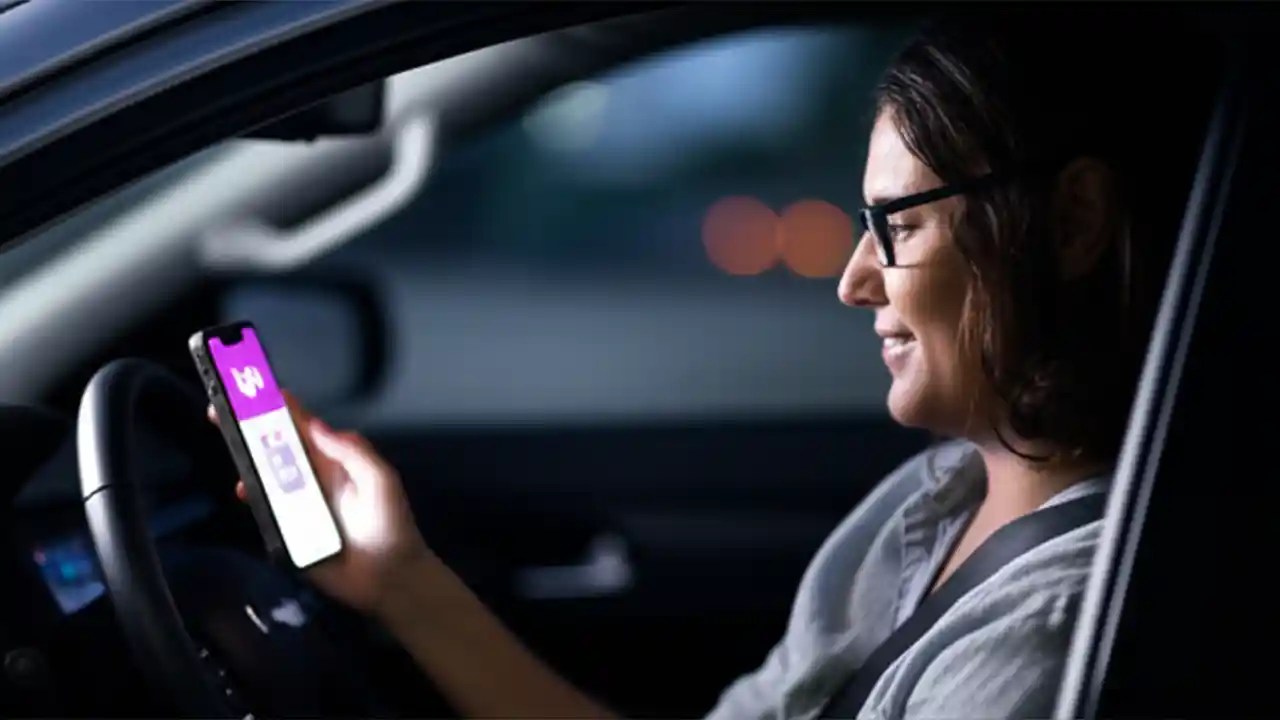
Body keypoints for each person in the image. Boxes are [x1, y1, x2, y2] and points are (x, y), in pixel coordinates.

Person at [210, 8, 1215, 719]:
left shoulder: (1047, 629)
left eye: (896, 225)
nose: (854, 281)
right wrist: (402, 581)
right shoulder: (937, 498)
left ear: (1072, 221)